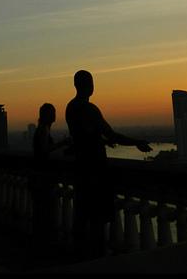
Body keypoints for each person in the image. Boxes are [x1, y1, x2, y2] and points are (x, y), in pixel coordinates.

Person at [65, 70, 151, 258]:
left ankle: (79, 256)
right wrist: (137, 142)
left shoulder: (70, 108)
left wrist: (100, 141)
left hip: (81, 167)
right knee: (97, 218)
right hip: (95, 169)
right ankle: (96, 258)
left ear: (75, 85)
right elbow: (112, 135)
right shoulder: (89, 109)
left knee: (81, 216)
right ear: (91, 85)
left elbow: (82, 137)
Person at [31, 103, 72, 248]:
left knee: (42, 210)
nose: (54, 115)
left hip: (40, 175)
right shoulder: (43, 129)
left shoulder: (44, 129)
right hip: (42, 175)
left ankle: (42, 240)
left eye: (54, 112)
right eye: (51, 112)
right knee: (44, 210)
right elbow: (44, 150)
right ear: (44, 115)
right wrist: (63, 143)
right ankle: (43, 242)